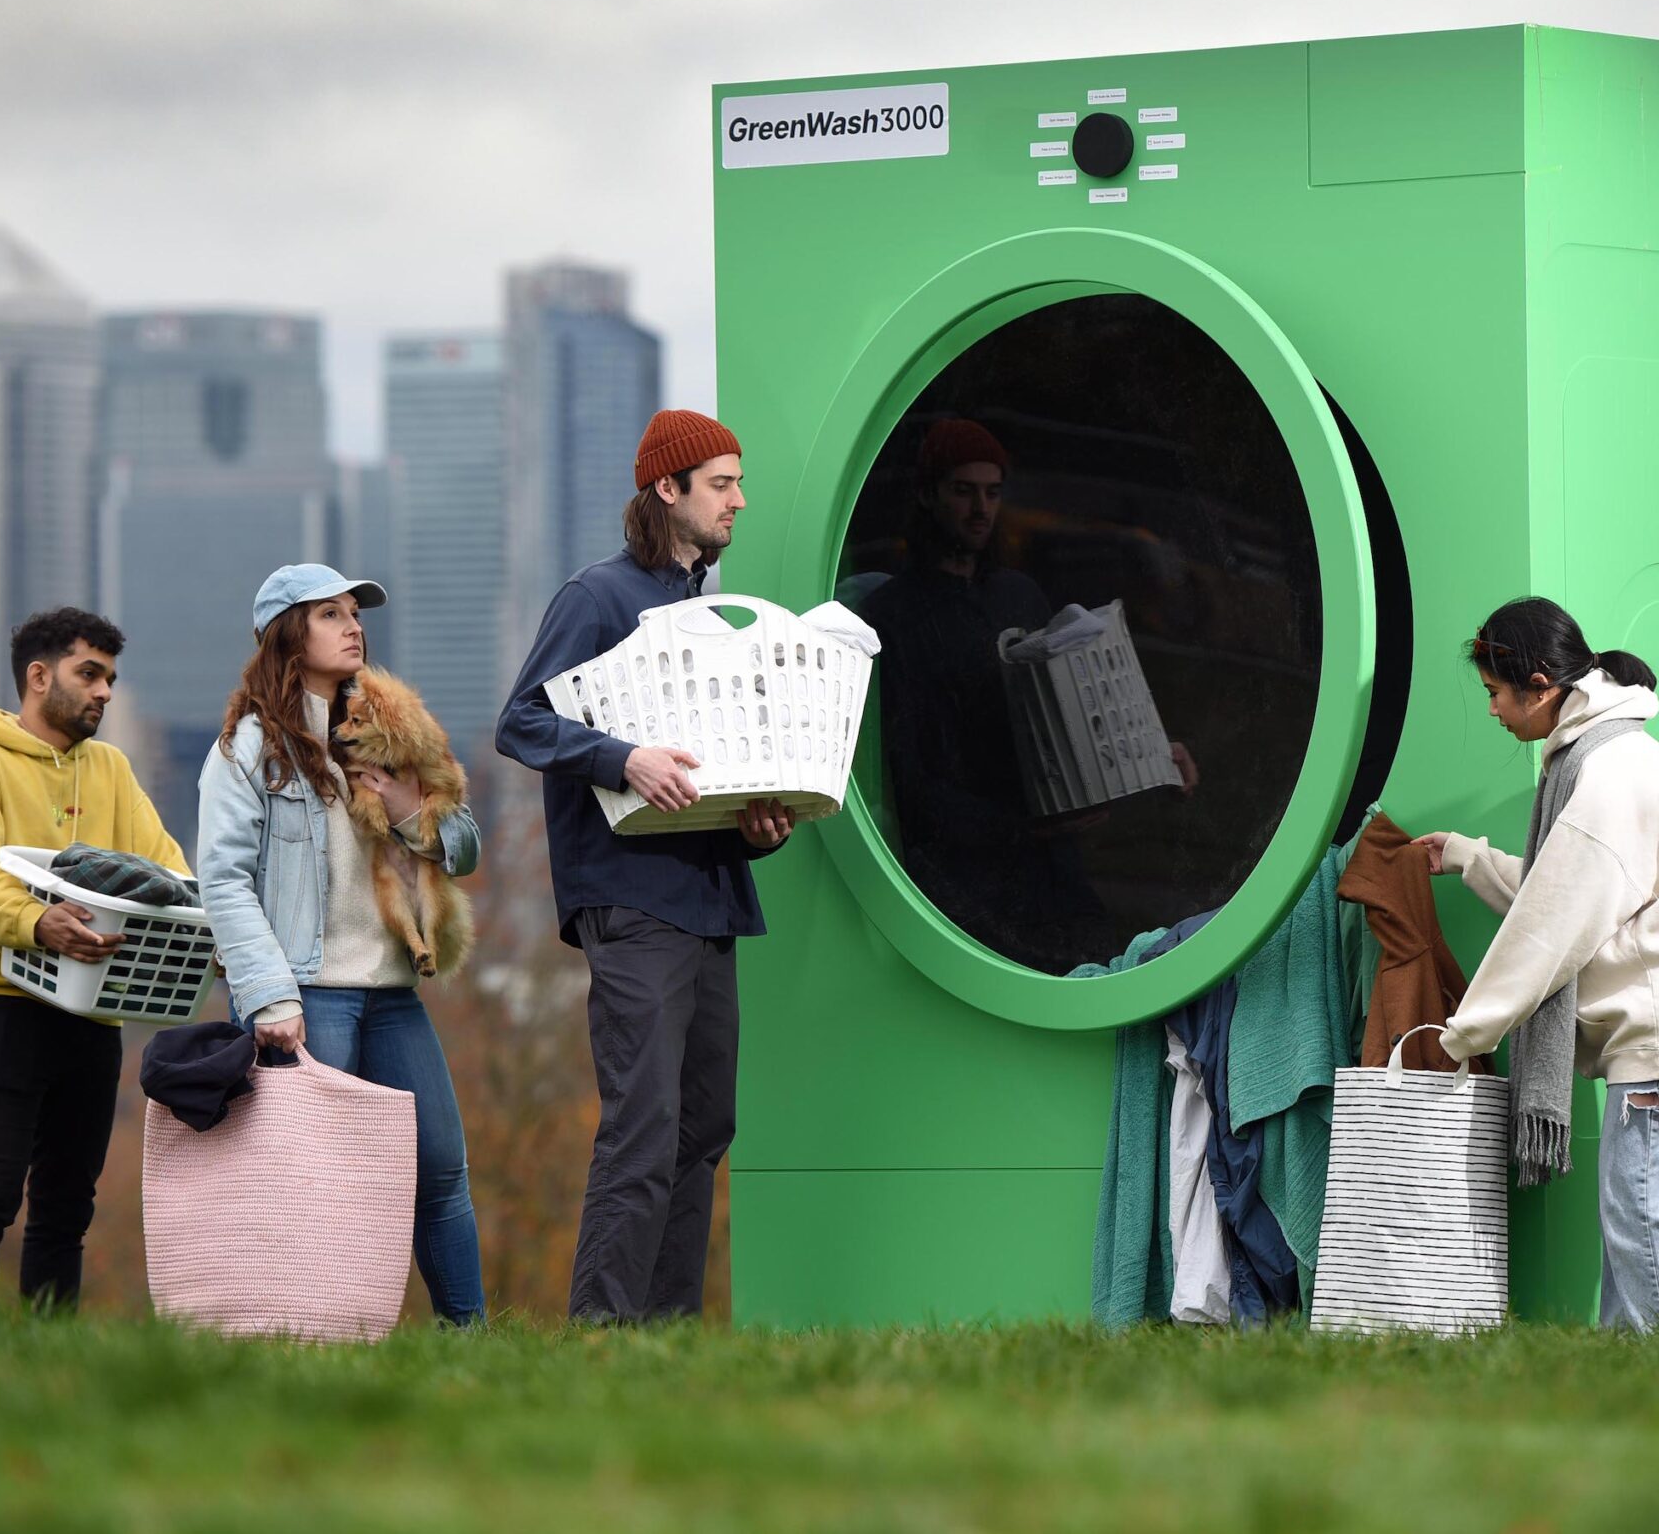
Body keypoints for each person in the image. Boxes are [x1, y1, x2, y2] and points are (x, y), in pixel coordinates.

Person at [496, 409, 795, 1323]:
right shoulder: (597, 597)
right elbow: (522, 722)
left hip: (711, 896)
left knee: (704, 1128)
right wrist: (622, 757)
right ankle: (602, 1335)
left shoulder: (709, 616)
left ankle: (666, 1339)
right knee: (644, 1126)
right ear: (667, 490)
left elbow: (709, 763)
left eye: (739, 482)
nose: (740, 500)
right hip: (631, 903)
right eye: (722, 483)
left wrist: (758, 822)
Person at [1416, 596, 1659, 1331]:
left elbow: (1554, 924)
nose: (1491, 711)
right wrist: (1467, 857)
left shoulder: (1606, 773)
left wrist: (1463, 1035)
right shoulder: (1604, 756)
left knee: (1648, 1211)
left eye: (1494, 691)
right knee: (1636, 1215)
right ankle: (1628, 1377)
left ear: (1540, 684)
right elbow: (1566, 890)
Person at [195, 562, 487, 1326]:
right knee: (318, 1183)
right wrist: (268, 995)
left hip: (392, 992)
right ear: (290, 634)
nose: (354, 625)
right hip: (306, 992)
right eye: (331, 614)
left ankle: (475, 1343)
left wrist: (405, 807)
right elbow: (221, 880)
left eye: (356, 612)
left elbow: (464, 845)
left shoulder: (387, 730)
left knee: (440, 1171)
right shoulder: (249, 746)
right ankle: (316, 1340)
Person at [0, 607, 192, 1308]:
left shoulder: (109, 768)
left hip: (91, 1007)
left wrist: (210, 932)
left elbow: (166, 866)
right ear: (39, 677)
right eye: (90, 673)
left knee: (67, 1207)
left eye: (110, 677)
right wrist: (35, 922)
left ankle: (51, 1363)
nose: (105, 691)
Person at [857, 418, 1191, 971]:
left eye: (992, 492)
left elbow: (1076, 711)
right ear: (926, 495)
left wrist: (1154, 753)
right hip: (957, 887)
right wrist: (1022, 828)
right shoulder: (892, 616)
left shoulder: (1017, 594)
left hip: (1052, 870)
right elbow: (906, 781)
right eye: (963, 491)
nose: (980, 509)